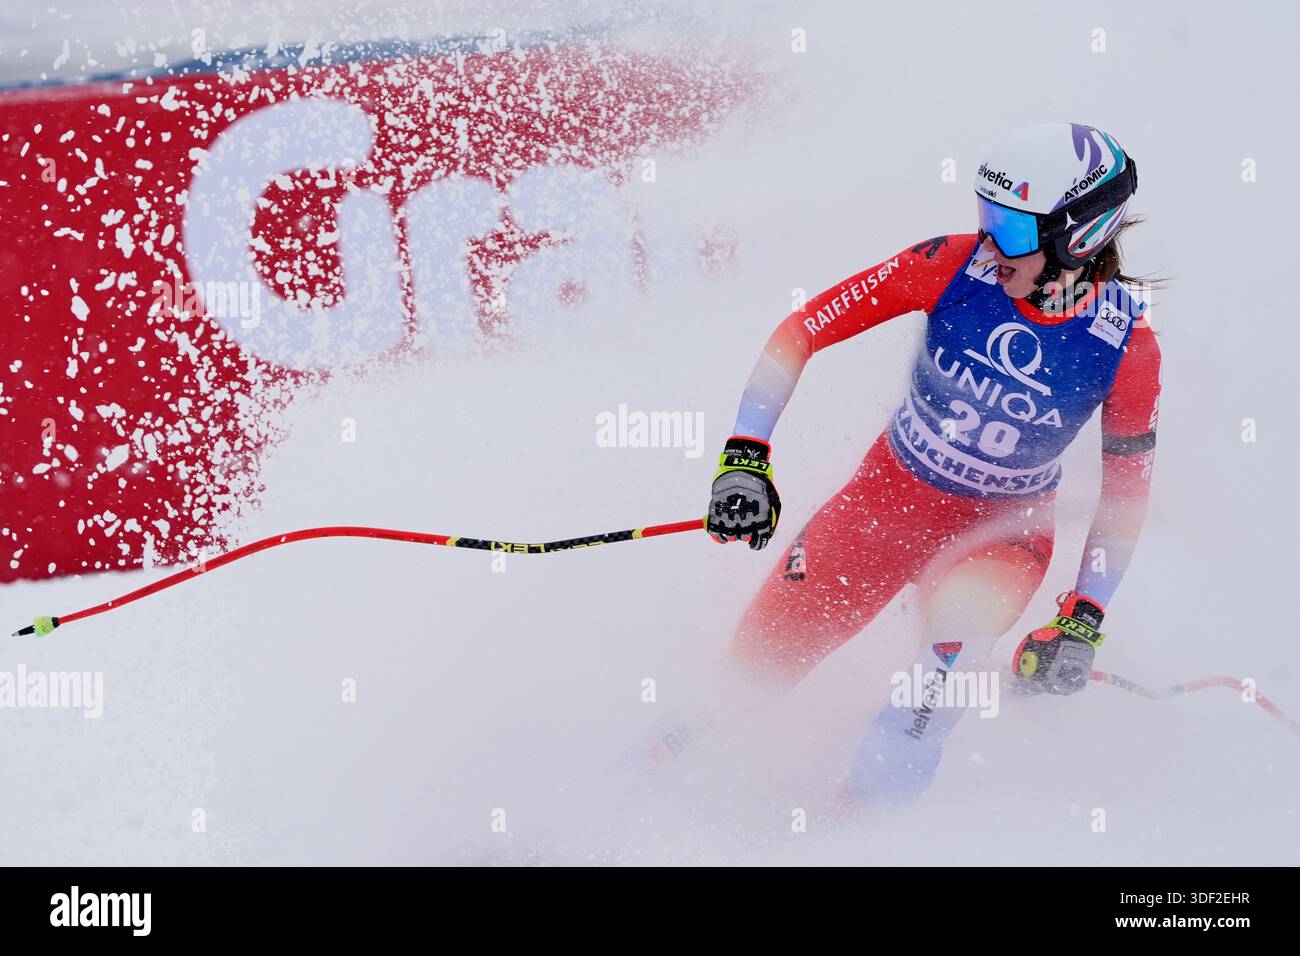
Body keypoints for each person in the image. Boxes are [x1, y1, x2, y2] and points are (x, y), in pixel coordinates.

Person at [704, 122, 1161, 805]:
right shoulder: (950, 263)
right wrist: (745, 456)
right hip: (882, 507)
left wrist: (1082, 620)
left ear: (1080, 236)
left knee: (923, 704)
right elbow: (803, 330)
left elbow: (1125, 498)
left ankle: (855, 844)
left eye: (1009, 227)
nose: (988, 242)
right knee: (736, 692)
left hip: (1001, 540)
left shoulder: (1127, 347)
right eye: (985, 215)